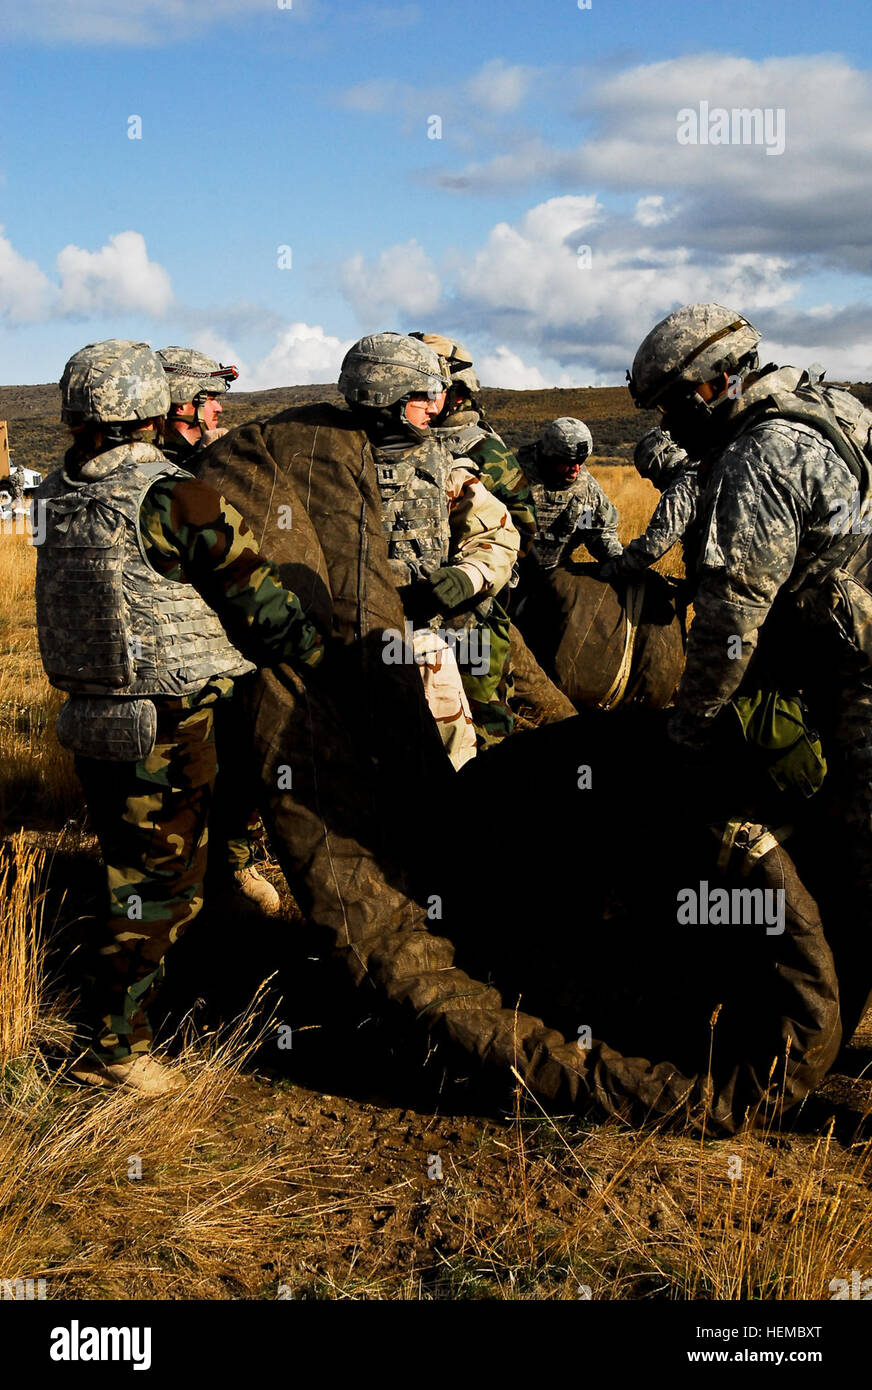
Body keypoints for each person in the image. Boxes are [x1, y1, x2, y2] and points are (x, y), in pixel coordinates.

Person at [34, 340, 325, 1093]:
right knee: (156, 887)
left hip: (94, 720)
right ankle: (116, 1049)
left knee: (133, 866)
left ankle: (169, 968)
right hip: (169, 726)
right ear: (153, 409)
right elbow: (262, 608)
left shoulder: (56, 495)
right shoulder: (174, 497)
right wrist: (314, 646)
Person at [628, 301, 872, 1038]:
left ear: (713, 384)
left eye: (672, 402)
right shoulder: (832, 411)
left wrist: (693, 731)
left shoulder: (755, 458)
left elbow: (732, 621)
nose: (669, 424)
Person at [338, 332, 520, 768]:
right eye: (425, 397)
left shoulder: (445, 467)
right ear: (387, 397)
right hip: (341, 652)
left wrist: (468, 575)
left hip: (423, 649)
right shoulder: (321, 464)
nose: (437, 407)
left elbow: (498, 535)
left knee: (452, 770)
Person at [157, 347, 280, 914]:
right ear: (173, 404)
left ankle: (231, 862)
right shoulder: (141, 475)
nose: (217, 414)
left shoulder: (217, 460)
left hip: (227, 642)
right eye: (208, 402)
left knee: (238, 758)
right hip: (169, 656)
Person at [410, 332, 535, 745]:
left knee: (485, 724)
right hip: (418, 616)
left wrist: (473, 575)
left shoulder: (483, 450)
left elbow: (518, 531)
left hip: (471, 612)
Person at [517, 417, 622, 572]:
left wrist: (619, 562)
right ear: (550, 457)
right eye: (569, 462)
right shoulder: (514, 474)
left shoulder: (586, 492)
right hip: (508, 568)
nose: (577, 469)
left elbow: (596, 533)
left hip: (554, 571)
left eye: (581, 461)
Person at [601, 427, 701, 586]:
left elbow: (656, 542)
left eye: (651, 474)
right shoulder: (703, 470)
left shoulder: (684, 485)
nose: (654, 484)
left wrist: (616, 567)